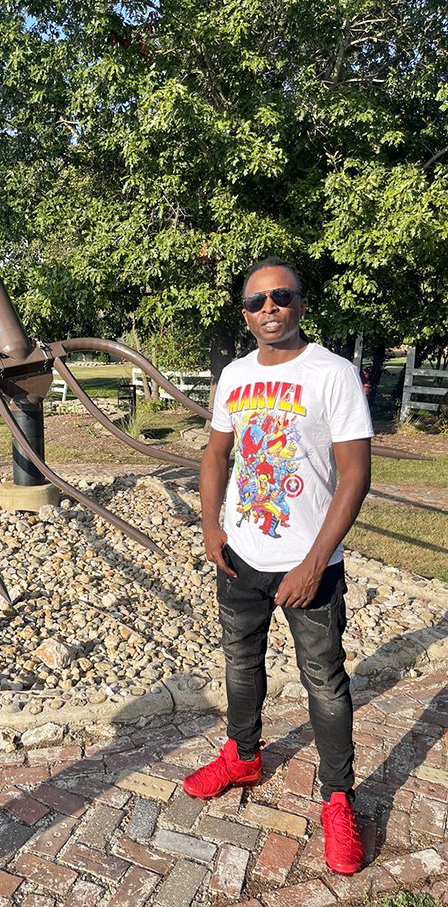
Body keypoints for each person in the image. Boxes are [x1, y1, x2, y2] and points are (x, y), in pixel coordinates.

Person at [183, 257, 373, 876]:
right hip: (241, 559)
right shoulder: (235, 376)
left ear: (300, 304)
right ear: (245, 313)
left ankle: (338, 799)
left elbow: (356, 474)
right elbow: (217, 454)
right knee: (240, 663)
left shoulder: (332, 374)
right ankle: (242, 757)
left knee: (324, 681)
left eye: (281, 297)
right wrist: (212, 527)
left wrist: (315, 563)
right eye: (256, 301)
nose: (269, 309)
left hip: (308, 567)